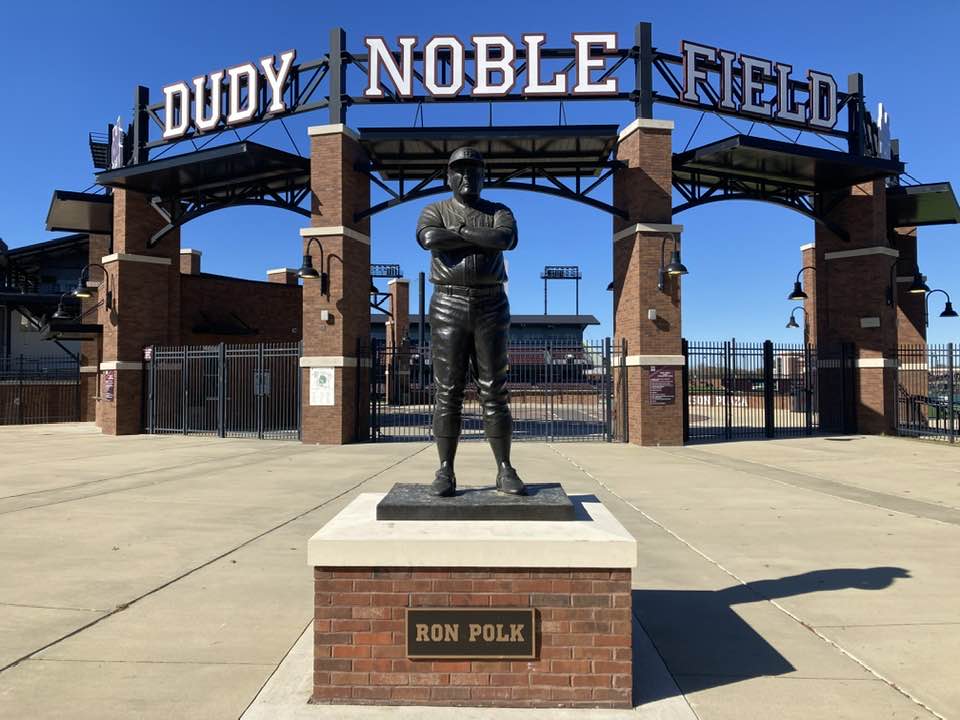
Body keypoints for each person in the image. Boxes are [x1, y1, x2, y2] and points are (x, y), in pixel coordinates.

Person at [416, 147, 526, 497]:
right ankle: (445, 470)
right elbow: (430, 238)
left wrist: (458, 232)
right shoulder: (434, 209)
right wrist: (479, 239)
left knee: (494, 389)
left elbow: (504, 239)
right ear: (448, 177)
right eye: (459, 172)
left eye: (474, 172)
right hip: (448, 301)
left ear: (483, 176)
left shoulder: (499, 211)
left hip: (491, 303)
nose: (467, 178)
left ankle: (505, 469)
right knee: (447, 391)